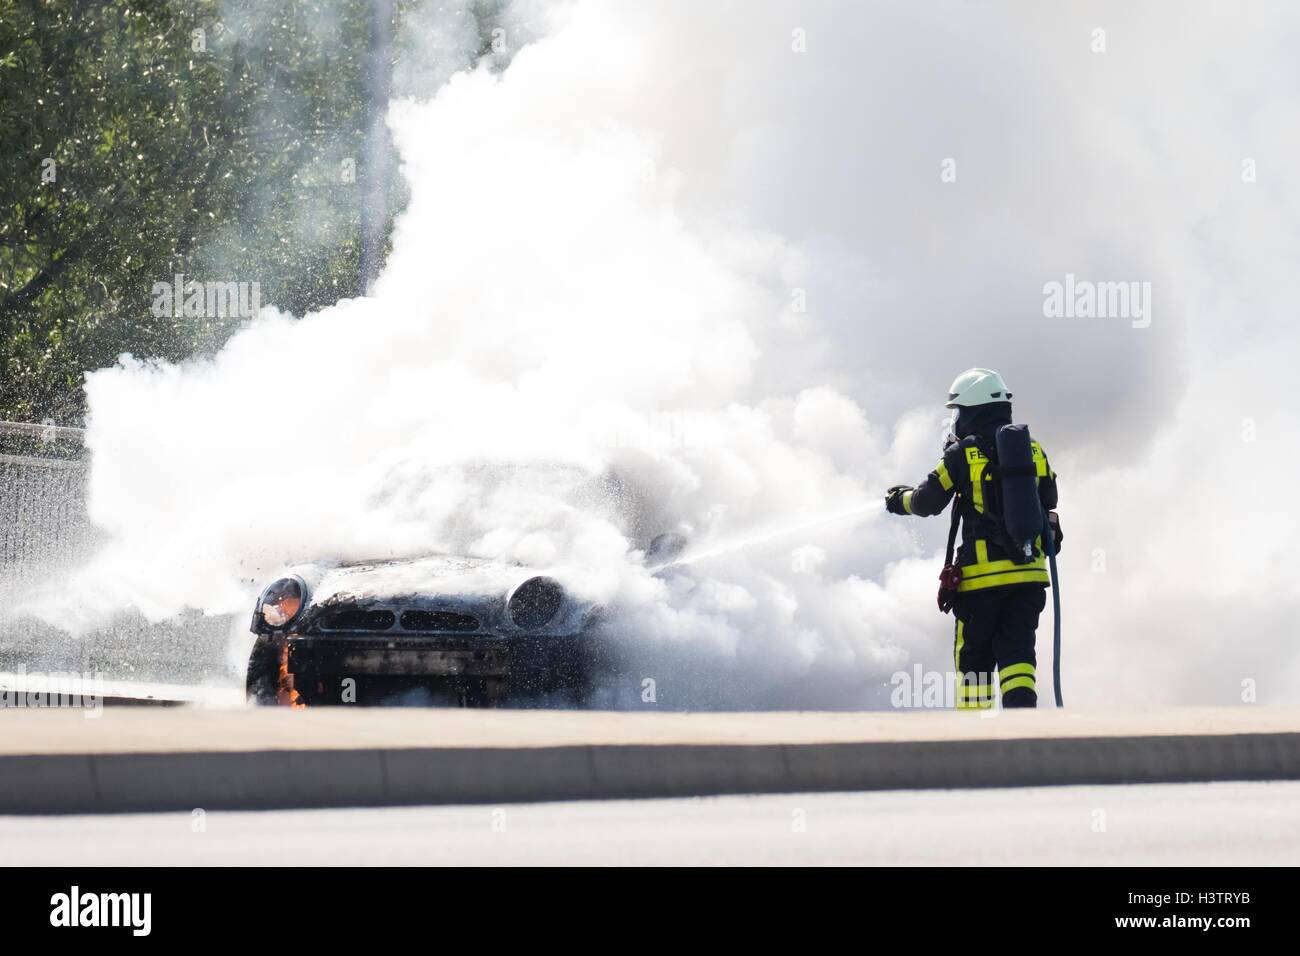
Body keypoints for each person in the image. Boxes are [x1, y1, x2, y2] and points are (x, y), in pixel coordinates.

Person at [884, 368, 1059, 709]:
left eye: (960, 412)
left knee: (974, 665)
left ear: (972, 411)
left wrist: (898, 500)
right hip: (1028, 581)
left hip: (980, 586)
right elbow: (1049, 498)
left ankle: (974, 745)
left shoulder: (962, 454)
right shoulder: (1034, 451)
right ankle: (1024, 734)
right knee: (1019, 660)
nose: (957, 420)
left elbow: (926, 501)